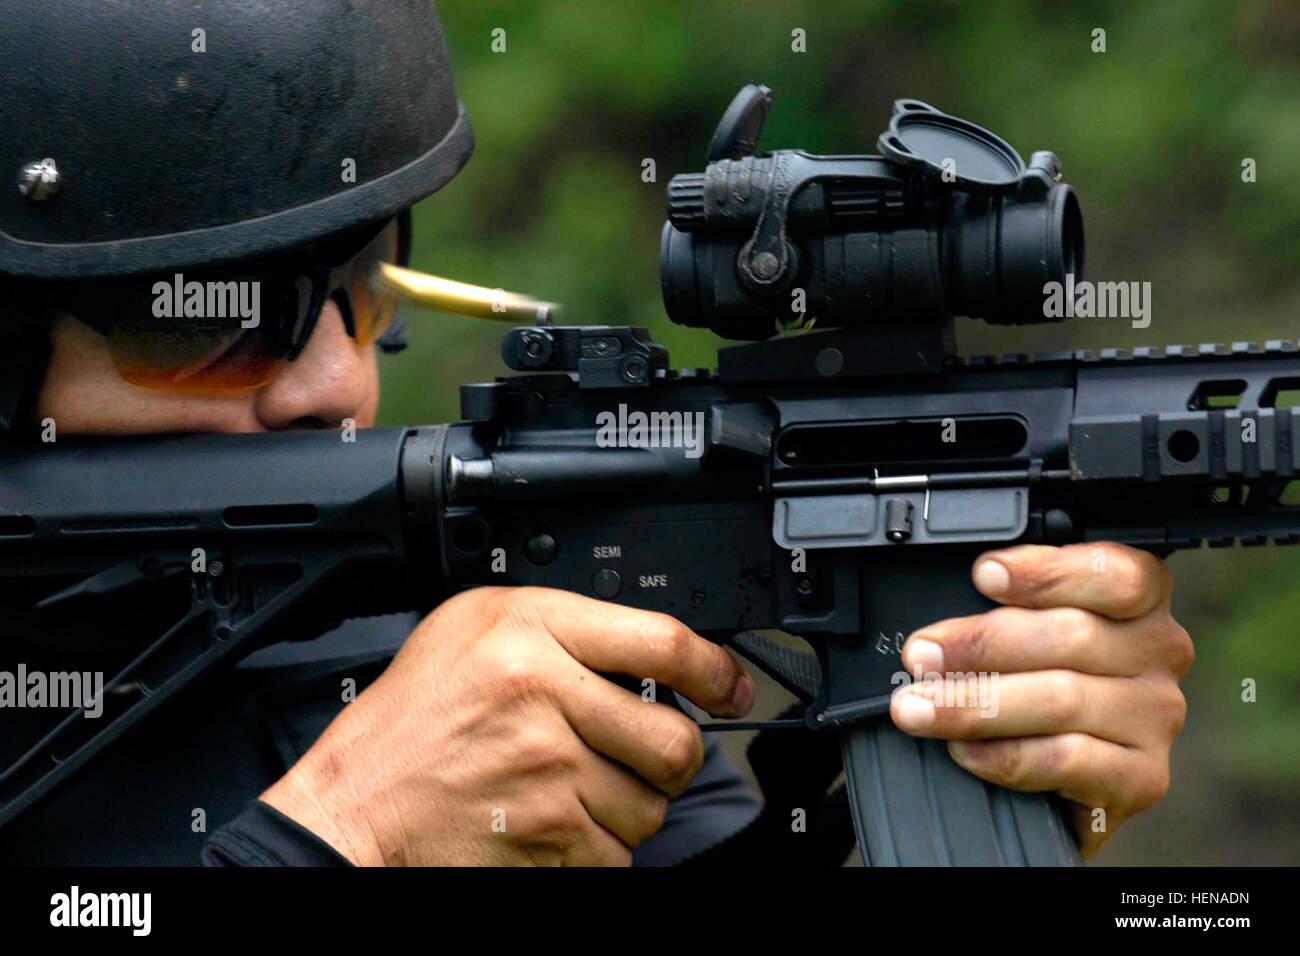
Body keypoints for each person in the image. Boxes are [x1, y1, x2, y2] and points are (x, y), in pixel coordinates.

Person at [0, 0, 1191, 866]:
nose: (330, 382)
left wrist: (958, 791)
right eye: (210, 319)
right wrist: (343, 839)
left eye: (363, 283)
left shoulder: (416, 640)